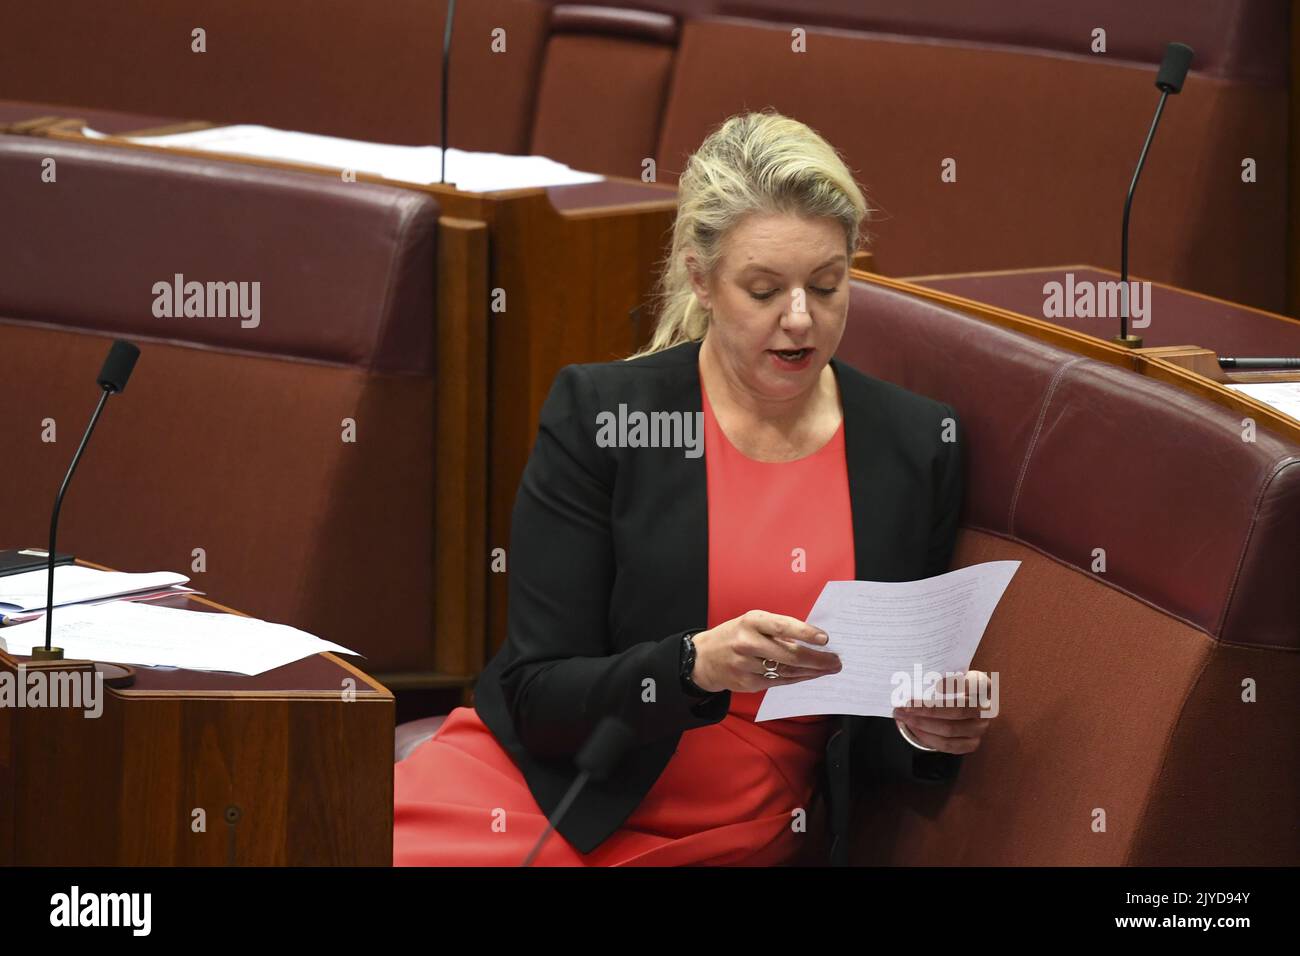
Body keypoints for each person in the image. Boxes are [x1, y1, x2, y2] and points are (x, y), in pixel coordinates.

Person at [394, 109, 994, 866]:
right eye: (765, 289)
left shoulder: (915, 445)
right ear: (700, 279)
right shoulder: (604, 416)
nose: (801, 321)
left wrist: (923, 725)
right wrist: (692, 666)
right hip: (547, 779)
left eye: (828, 285)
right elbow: (536, 692)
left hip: (733, 814)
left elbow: (869, 721)